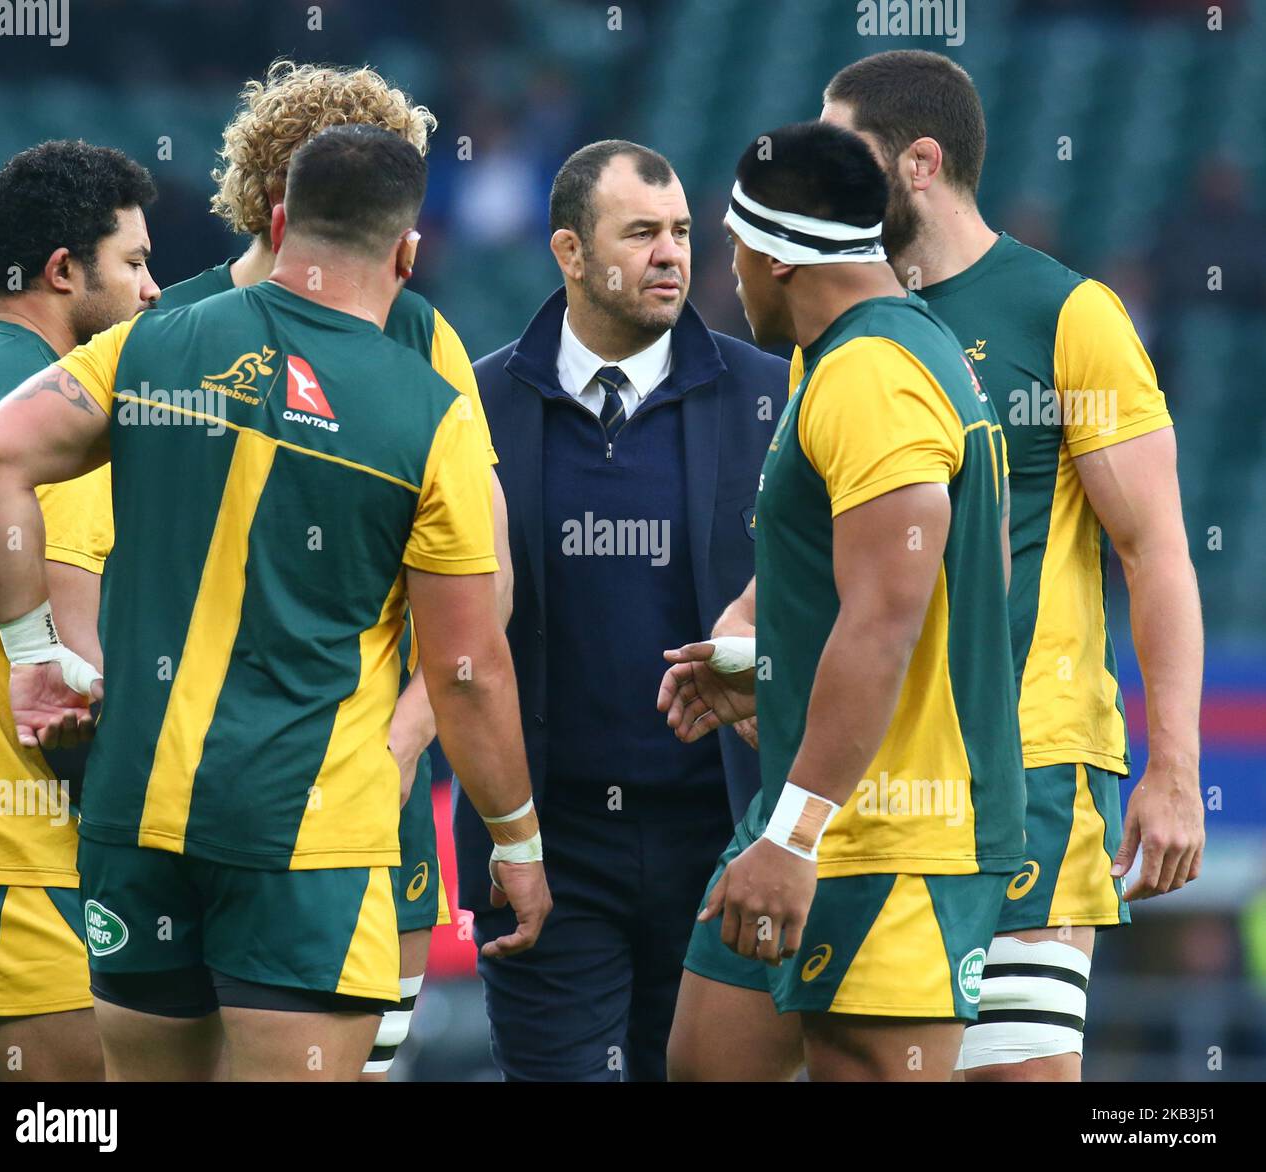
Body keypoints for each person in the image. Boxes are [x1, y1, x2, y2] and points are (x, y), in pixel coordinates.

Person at [0, 125, 550, 1082]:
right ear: (408, 252)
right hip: (304, 837)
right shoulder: (426, 406)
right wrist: (516, 840)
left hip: (139, 819)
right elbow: (466, 664)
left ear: (278, 220)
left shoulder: (151, 345)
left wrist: (34, 655)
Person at [819, 50, 1204, 1080]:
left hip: (1026, 764)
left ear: (919, 163)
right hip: (871, 769)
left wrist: (1173, 768)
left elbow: (1154, 548)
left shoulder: (1066, 314)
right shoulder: (845, 326)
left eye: (845, 152)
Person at [154, 59, 515, 1079]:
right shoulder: (166, 332)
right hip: (182, 791)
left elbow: (485, 572)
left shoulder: (419, 336)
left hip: (356, 793)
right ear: (280, 200)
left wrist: (402, 741)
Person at [661, 119, 1024, 1082]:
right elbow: (971, 569)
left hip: (892, 828)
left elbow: (886, 617)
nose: (726, 272)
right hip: (820, 804)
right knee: (704, 1064)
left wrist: (793, 832)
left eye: (732, 247)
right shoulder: (858, 353)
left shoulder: (872, 374)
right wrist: (774, 673)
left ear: (777, 255)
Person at [458, 139, 787, 1081]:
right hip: (548, 851)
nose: (672, 255)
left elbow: (833, 598)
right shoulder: (474, 406)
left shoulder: (772, 397)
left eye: (682, 232)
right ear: (569, 253)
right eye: (641, 233)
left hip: (722, 840)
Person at [0, 140, 159, 1082]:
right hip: (10, 856)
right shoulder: (58, 423)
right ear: (61, 272)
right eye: (133, 263)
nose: (152, 290)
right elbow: (81, 682)